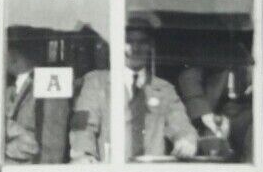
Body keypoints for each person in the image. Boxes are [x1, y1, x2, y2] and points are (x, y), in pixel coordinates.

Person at [69, 25, 197, 162]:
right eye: (128, 41)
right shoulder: (96, 83)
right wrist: (84, 155)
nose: (135, 48)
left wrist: (186, 141)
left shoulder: (164, 89)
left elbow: (180, 123)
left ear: (149, 46)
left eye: (142, 42)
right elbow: (83, 125)